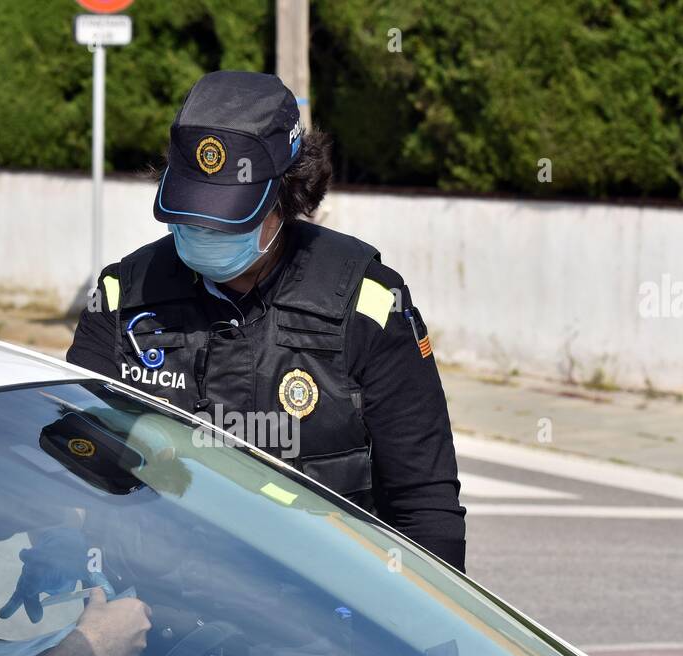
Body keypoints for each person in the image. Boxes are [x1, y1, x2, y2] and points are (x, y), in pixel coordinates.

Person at [67, 71, 467, 570]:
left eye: (227, 215)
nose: (205, 230)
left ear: (289, 196)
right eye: (191, 214)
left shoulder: (365, 307)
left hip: (323, 620)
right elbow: (79, 474)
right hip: (155, 611)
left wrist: (430, 635)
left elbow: (425, 503)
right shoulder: (123, 301)